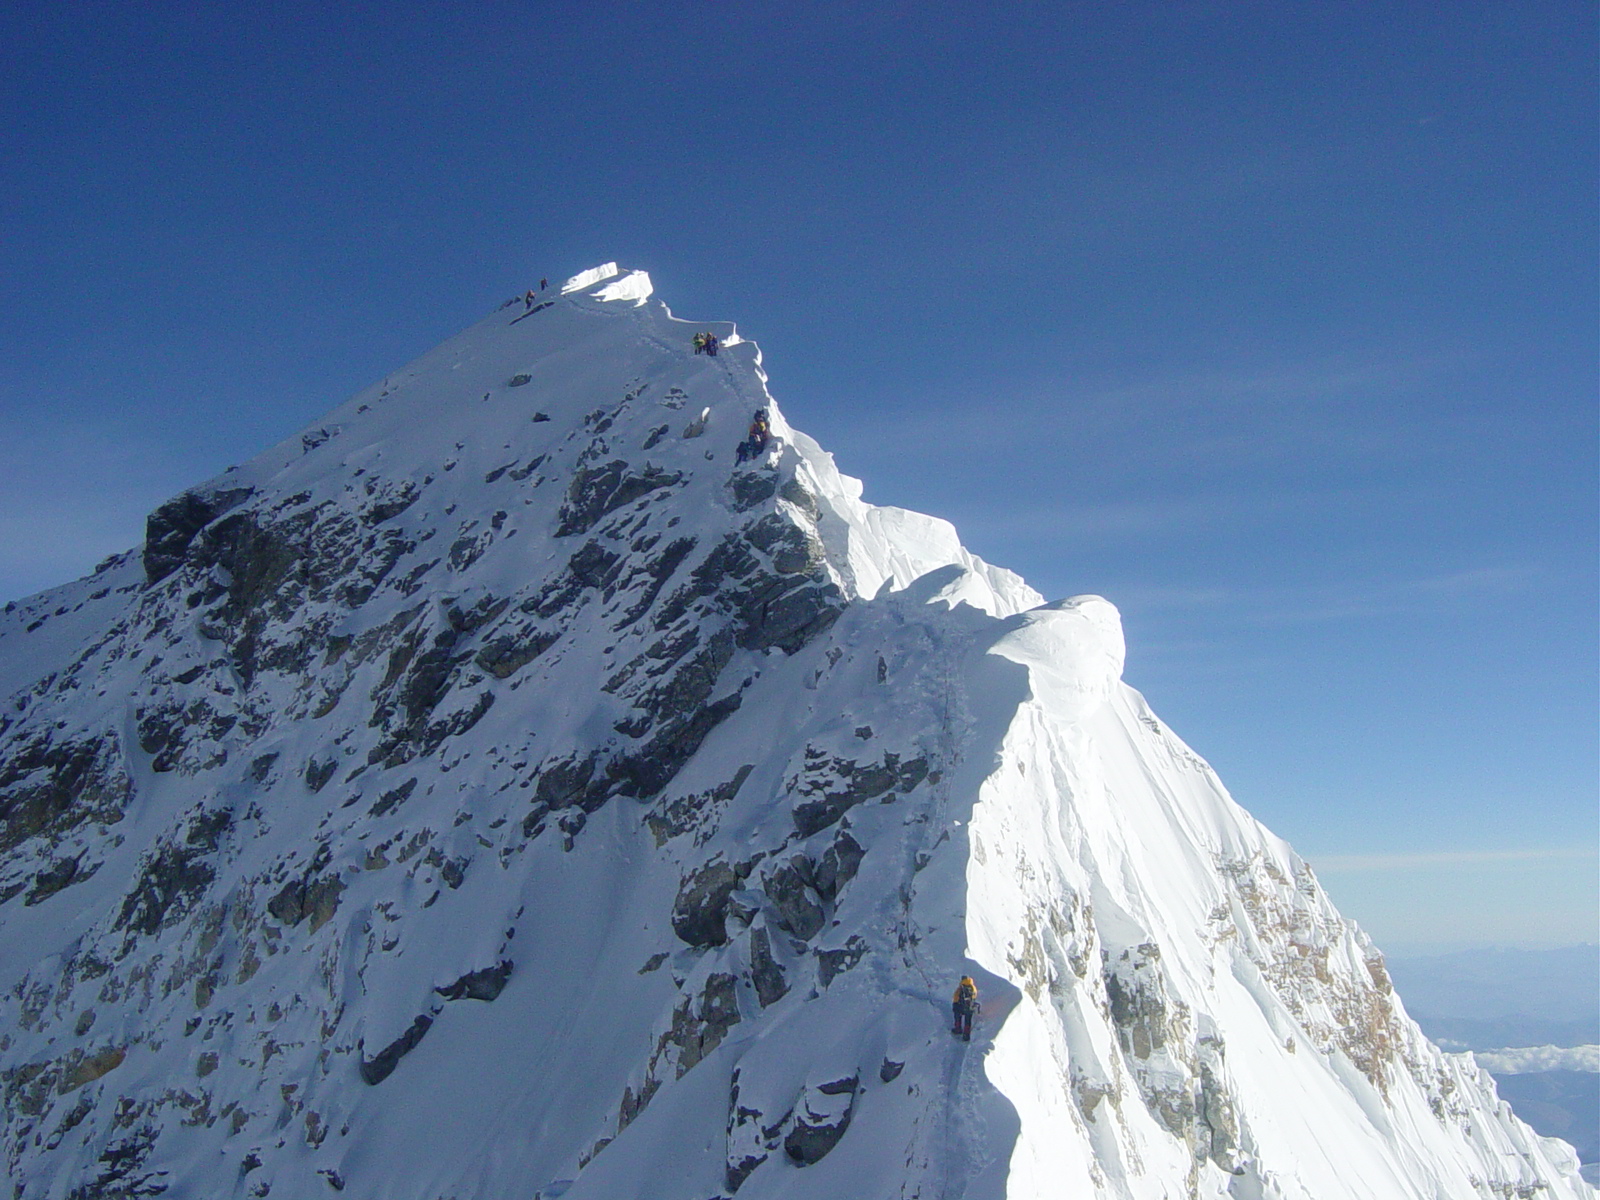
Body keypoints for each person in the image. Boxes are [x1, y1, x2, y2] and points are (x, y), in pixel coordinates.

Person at [952, 976, 978, 1041]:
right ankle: (966, 1034)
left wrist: (955, 1005)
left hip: (960, 1007)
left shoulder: (961, 988)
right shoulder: (973, 987)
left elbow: (955, 997)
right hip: (969, 1007)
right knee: (968, 1021)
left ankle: (958, 1029)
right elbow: (974, 996)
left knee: (958, 1017)